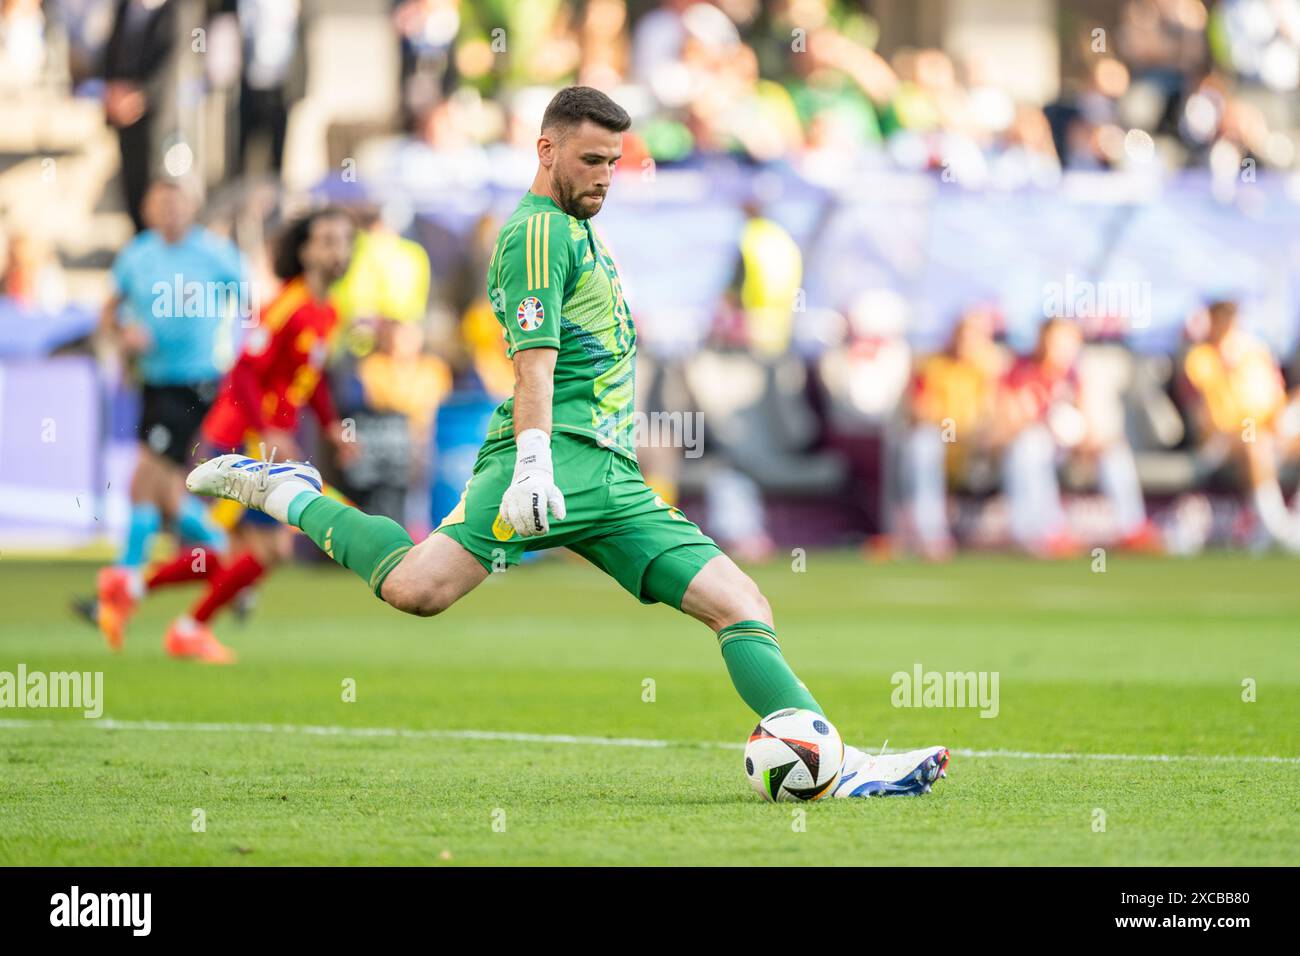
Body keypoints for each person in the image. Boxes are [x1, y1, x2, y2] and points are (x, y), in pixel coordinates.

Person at [187, 86, 949, 796]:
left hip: (607, 473)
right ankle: (290, 491)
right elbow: (533, 363)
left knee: (741, 602)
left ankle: (837, 763)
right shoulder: (538, 233)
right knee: (415, 590)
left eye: (615, 162)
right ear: (545, 150)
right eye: (591, 159)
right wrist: (531, 461)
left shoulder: (579, 227)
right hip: (554, 455)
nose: (605, 176)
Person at [142, 207, 359, 662]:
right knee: (268, 548)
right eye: (328, 241)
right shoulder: (287, 304)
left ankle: (137, 590)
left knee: (245, 552)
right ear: (305, 251)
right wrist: (269, 430)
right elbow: (242, 371)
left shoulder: (328, 310)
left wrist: (331, 426)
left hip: (262, 439)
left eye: (344, 240)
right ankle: (182, 622)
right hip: (237, 438)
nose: (339, 251)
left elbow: (311, 377)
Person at [81, 179, 244, 650]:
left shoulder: (214, 253)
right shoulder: (137, 256)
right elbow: (109, 314)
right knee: (169, 494)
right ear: (150, 208)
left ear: (191, 206)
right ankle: (225, 560)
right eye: (161, 203)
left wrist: (240, 357)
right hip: (154, 383)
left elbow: (251, 303)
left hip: (196, 383)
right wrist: (125, 333)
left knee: (143, 482)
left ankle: (121, 588)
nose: (170, 211)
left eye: (178, 202)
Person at [995, 317, 1156, 556]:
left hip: (1065, 451)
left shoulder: (1073, 374)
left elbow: (1086, 421)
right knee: (1032, 444)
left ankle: (1131, 527)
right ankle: (1047, 531)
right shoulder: (1019, 371)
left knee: (1114, 449)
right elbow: (1007, 424)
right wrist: (1041, 424)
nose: (1063, 348)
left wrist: (1088, 442)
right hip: (1024, 449)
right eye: (1057, 341)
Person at [1181, 300, 1300, 551]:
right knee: (1253, 442)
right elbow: (1209, 421)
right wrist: (1227, 369)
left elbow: (1274, 399)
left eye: (1231, 321)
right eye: (1221, 321)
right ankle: (1276, 528)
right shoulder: (1200, 358)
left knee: (1264, 440)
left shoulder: (1256, 353)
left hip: (1268, 433)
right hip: (1224, 441)